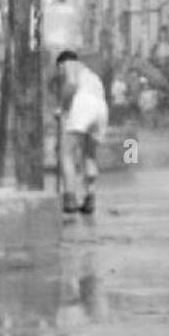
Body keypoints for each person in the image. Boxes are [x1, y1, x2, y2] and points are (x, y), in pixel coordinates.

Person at [56, 50, 108, 215]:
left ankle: (69, 199)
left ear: (60, 63)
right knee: (89, 155)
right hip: (101, 108)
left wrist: (62, 107)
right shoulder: (92, 75)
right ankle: (89, 197)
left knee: (66, 153)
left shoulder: (69, 64)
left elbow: (71, 84)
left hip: (84, 104)